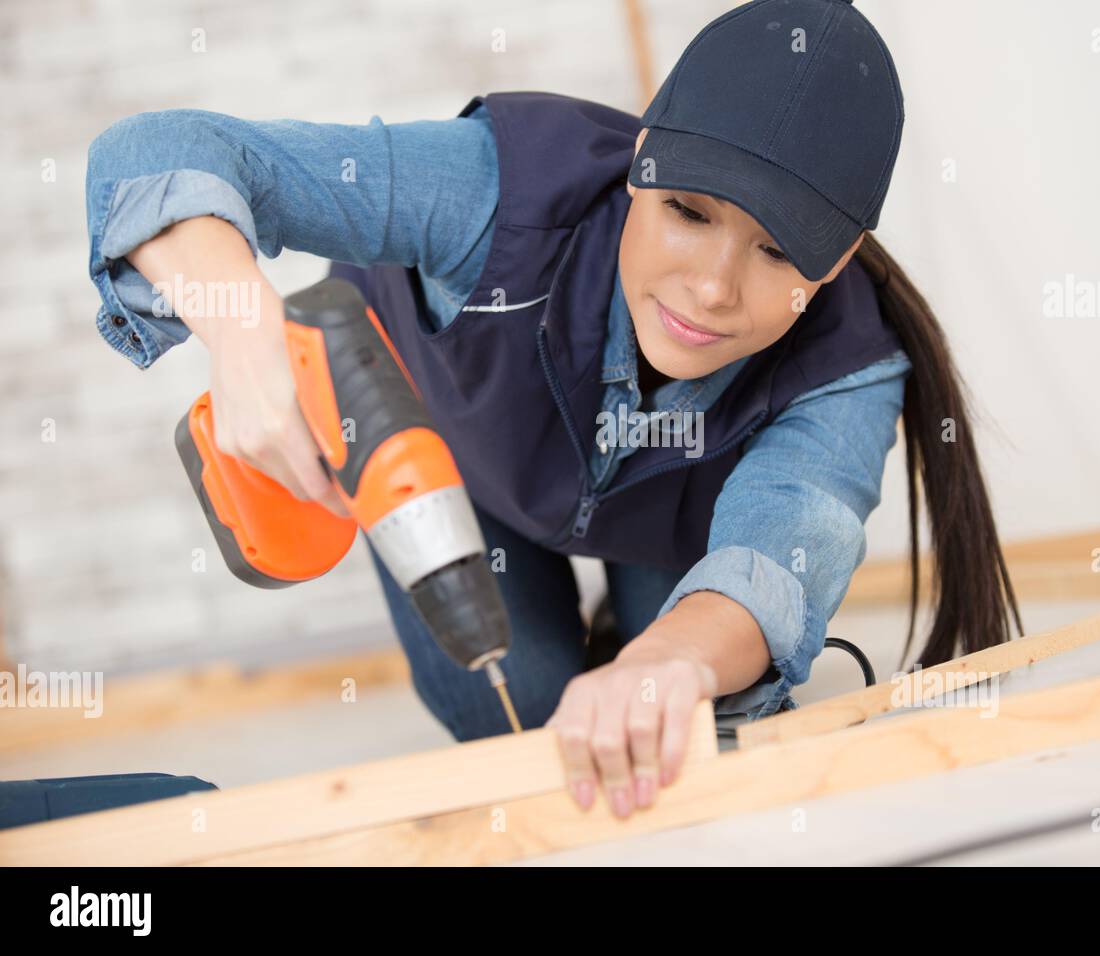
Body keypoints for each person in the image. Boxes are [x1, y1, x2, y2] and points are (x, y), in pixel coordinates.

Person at [84, 0, 1021, 820]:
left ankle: (638, 636)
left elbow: (777, 560)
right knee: (524, 707)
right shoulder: (502, 190)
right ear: (640, 162)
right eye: (688, 212)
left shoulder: (849, 367)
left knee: (669, 719)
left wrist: (669, 663)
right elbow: (158, 149)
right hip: (455, 437)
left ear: (841, 259)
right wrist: (243, 334)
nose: (710, 288)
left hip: (663, 520)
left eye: (779, 253)